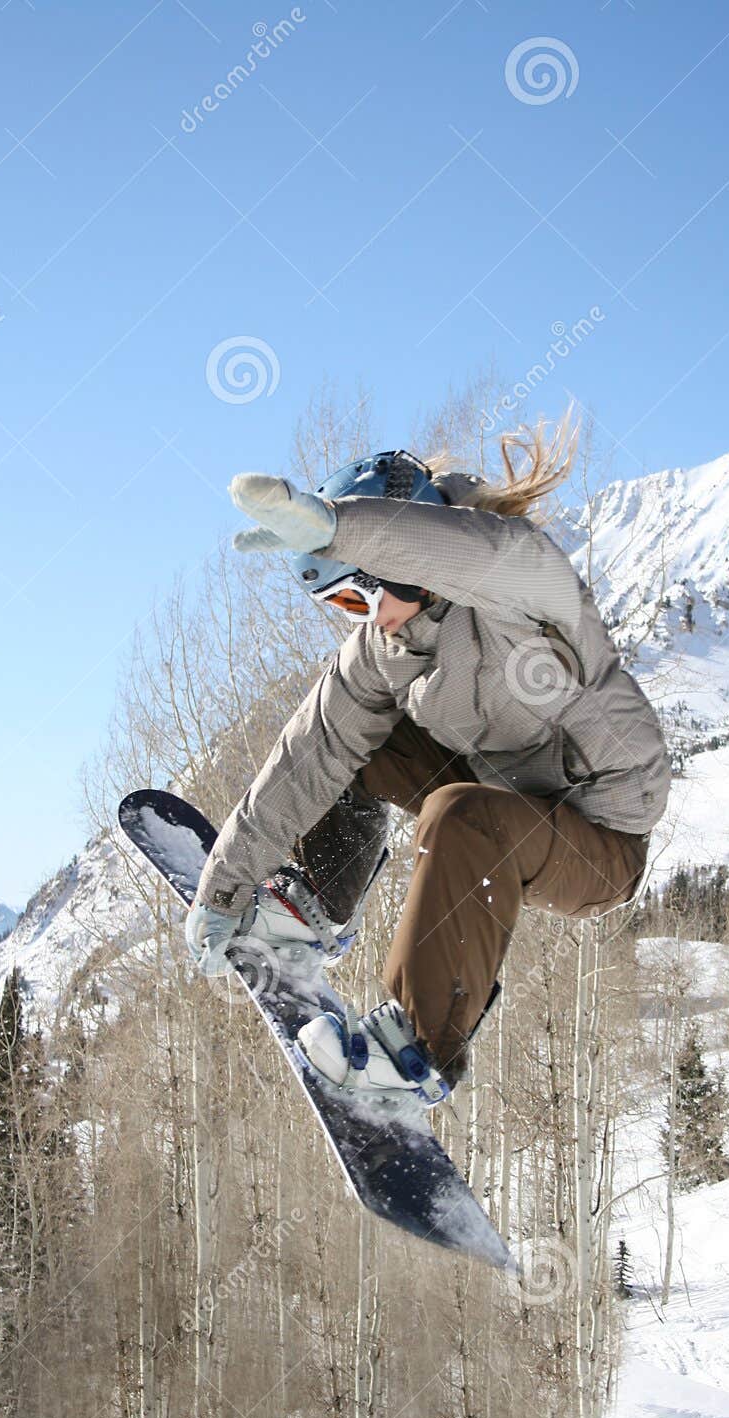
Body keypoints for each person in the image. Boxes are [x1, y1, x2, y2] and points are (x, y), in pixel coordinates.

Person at [185, 422, 671, 1106]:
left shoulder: (523, 582)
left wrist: (336, 528)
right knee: (357, 740)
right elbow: (313, 750)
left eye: (359, 596)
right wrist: (225, 889)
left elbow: (463, 554)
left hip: (598, 839)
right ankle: (312, 906)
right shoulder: (387, 645)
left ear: (403, 566)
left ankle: (415, 1052)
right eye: (338, 606)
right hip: (500, 790)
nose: (363, 620)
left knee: (463, 815)